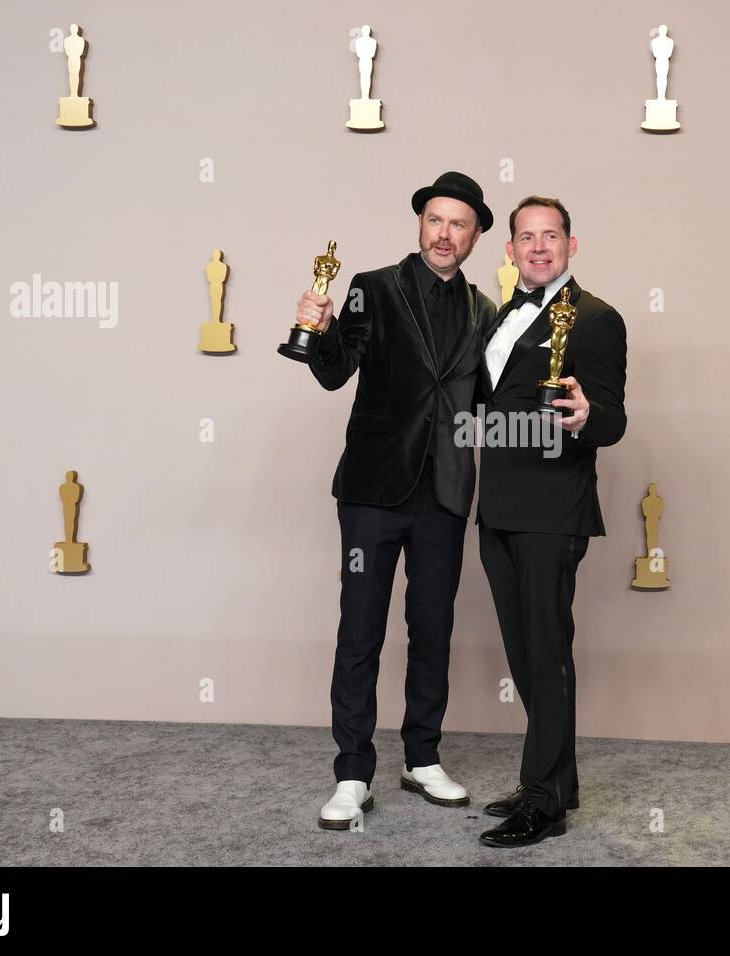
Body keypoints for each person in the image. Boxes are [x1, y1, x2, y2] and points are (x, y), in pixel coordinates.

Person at [287, 172, 498, 830]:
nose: (445, 233)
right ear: (420, 225)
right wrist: (317, 331)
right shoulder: (370, 290)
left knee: (433, 630)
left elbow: (489, 406)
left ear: (475, 236)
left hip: (444, 492)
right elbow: (332, 372)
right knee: (361, 632)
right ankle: (352, 773)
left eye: (458, 224)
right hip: (374, 492)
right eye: (435, 219)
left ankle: (422, 757)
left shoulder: (486, 312)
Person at [474, 196, 627, 847]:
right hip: (498, 507)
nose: (538, 247)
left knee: (547, 651)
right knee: (524, 653)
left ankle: (545, 801)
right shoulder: (505, 315)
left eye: (551, 236)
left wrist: (589, 415)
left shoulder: (596, 319)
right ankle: (554, 780)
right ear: (509, 250)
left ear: (571, 244)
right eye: (526, 238)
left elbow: (614, 419)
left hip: (552, 510)